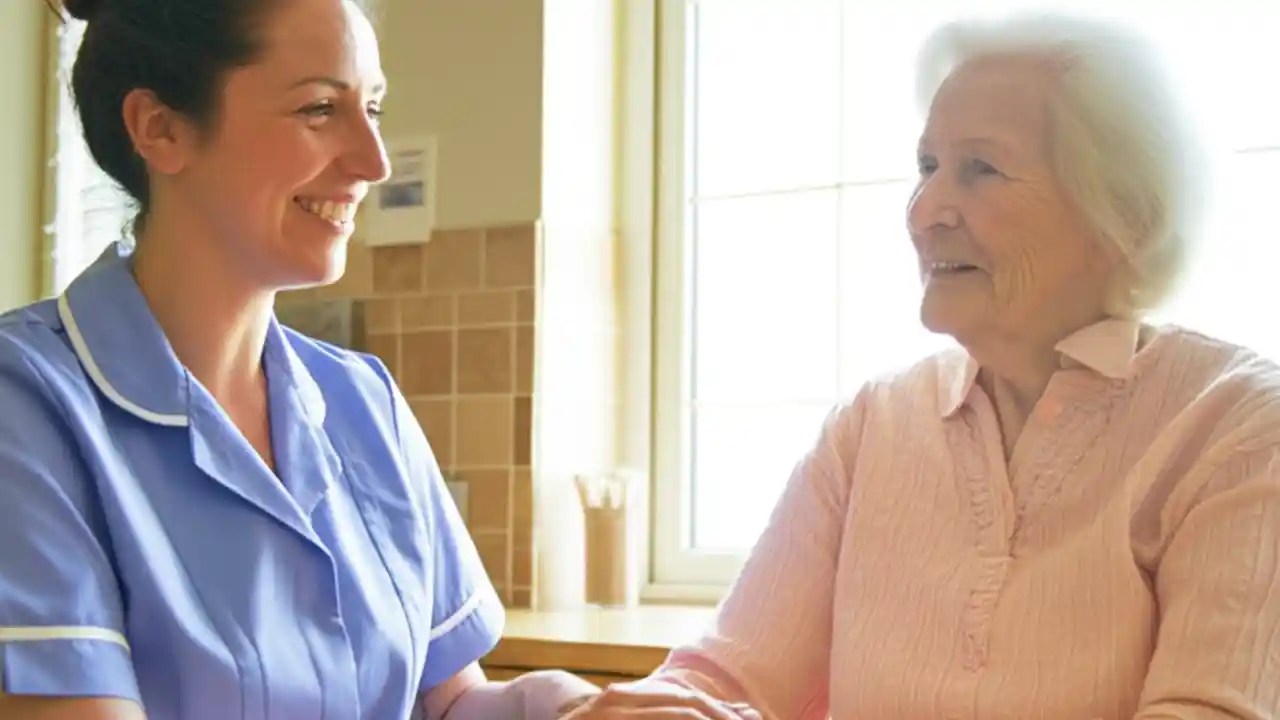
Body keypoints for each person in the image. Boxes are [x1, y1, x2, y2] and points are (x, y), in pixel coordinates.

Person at [0, 1, 768, 718]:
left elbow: (450, 701)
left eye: (372, 109)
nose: (372, 161)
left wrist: (573, 708)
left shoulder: (363, 401)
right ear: (159, 128)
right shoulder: (26, 408)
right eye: (319, 109)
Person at [565, 13, 1280, 720]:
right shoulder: (871, 427)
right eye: (928, 166)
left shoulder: (1235, 429)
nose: (923, 211)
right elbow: (726, 677)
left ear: (1123, 215)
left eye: (981, 169)